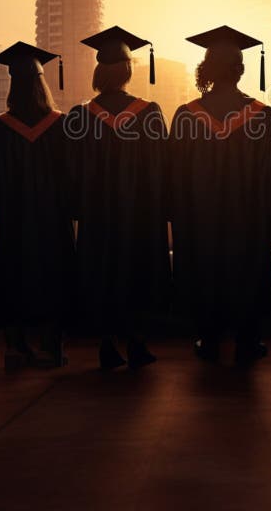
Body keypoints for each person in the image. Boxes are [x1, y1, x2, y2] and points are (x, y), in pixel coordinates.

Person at [169, 25, 271, 365]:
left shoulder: (187, 116)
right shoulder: (263, 117)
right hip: (248, 221)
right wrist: (269, 218)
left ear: (206, 69)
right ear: (242, 69)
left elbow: (174, 176)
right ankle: (248, 339)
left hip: (200, 220)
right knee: (246, 272)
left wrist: (183, 214)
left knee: (205, 271)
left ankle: (209, 337)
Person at [67, 26, 170, 370]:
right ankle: (138, 343)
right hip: (139, 215)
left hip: (98, 217)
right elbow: (161, 168)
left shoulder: (80, 116)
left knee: (103, 274)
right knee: (137, 272)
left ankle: (107, 344)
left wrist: (81, 208)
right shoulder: (149, 112)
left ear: (99, 71)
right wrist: (158, 208)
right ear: (128, 70)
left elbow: (72, 172)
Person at [0, 41, 75, 371]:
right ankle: (51, 347)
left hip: (12, 223)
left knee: (13, 279)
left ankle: (15, 348)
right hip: (52, 222)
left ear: (12, 85)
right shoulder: (62, 125)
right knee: (53, 279)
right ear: (42, 83)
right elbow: (73, 177)